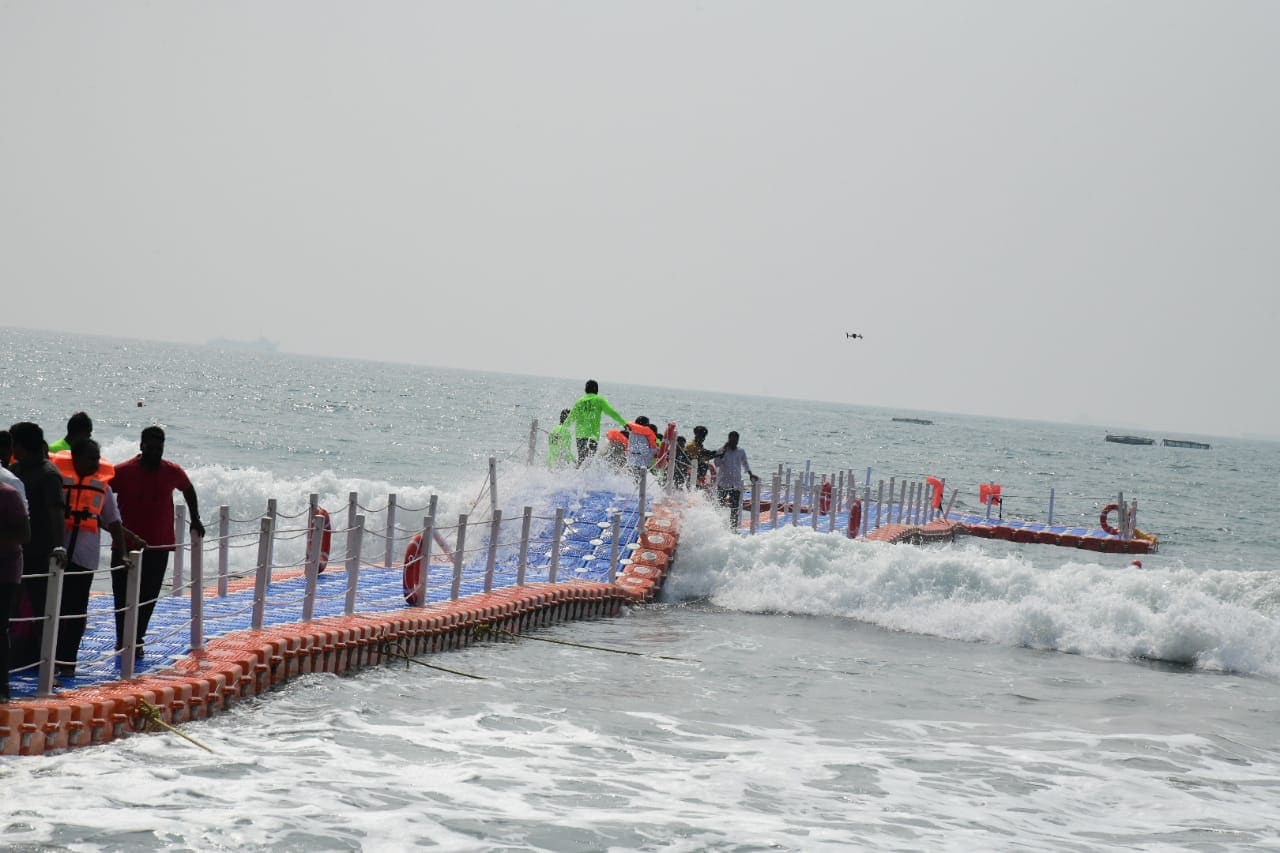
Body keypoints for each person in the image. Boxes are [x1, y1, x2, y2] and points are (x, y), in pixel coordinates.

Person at [110, 426, 204, 659]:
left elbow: (188, 489)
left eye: (158, 448)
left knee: (148, 595)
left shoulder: (172, 471)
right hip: (125, 545)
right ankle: (123, 639)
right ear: (141, 446)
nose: (154, 452)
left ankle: (137, 639)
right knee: (122, 595)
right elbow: (101, 494)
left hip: (159, 545)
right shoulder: (122, 471)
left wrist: (196, 519)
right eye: (150, 447)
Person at [51, 439, 139, 678]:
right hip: (57, 557)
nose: (95, 462)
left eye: (97, 458)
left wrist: (121, 553)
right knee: (53, 611)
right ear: (76, 458)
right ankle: (49, 661)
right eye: (90, 458)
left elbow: (114, 521)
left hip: (85, 558)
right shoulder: (58, 481)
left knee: (77, 612)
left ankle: (68, 663)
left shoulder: (103, 487)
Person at [8, 422, 66, 667]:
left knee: (43, 607)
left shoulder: (49, 473)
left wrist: (58, 546)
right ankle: (16, 655)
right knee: (13, 605)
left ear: (19, 446)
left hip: (41, 551)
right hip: (16, 550)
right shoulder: (14, 469)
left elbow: (57, 513)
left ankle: (45, 661)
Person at [0, 479, 31, 702]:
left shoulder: (9, 495)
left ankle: (2, 688)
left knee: (1, 628)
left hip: (5, 572)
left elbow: (25, 534)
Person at [567, 380, 627, 464]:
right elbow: (612, 412)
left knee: (581, 459)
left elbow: (570, 419)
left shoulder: (579, 402)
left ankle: (576, 475)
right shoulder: (599, 400)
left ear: (585, 389)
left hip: (580, 435)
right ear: (596, 390)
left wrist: (561, 431)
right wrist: (624, 423)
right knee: (589, 459)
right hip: (593, 436)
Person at [710, 431, 758, 530]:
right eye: (732, 440)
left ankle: (733, 528)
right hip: (723, 482)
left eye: (736, 440)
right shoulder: (721, 450)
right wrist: (722, 453)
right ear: (729, 439)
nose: (734, 442)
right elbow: (717, 464)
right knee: (720, 505)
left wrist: (750, 474)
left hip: (736, 483)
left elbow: (745, 463)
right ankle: (718, 526)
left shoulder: (741, 451)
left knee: (735, 507)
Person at [624, 416, 659, 483]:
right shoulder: (644, 435)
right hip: (641, 463)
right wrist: (656, 450)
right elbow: (645, 451)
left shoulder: (631, 433)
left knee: (632, 481)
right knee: (640, 484)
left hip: (631, 460)